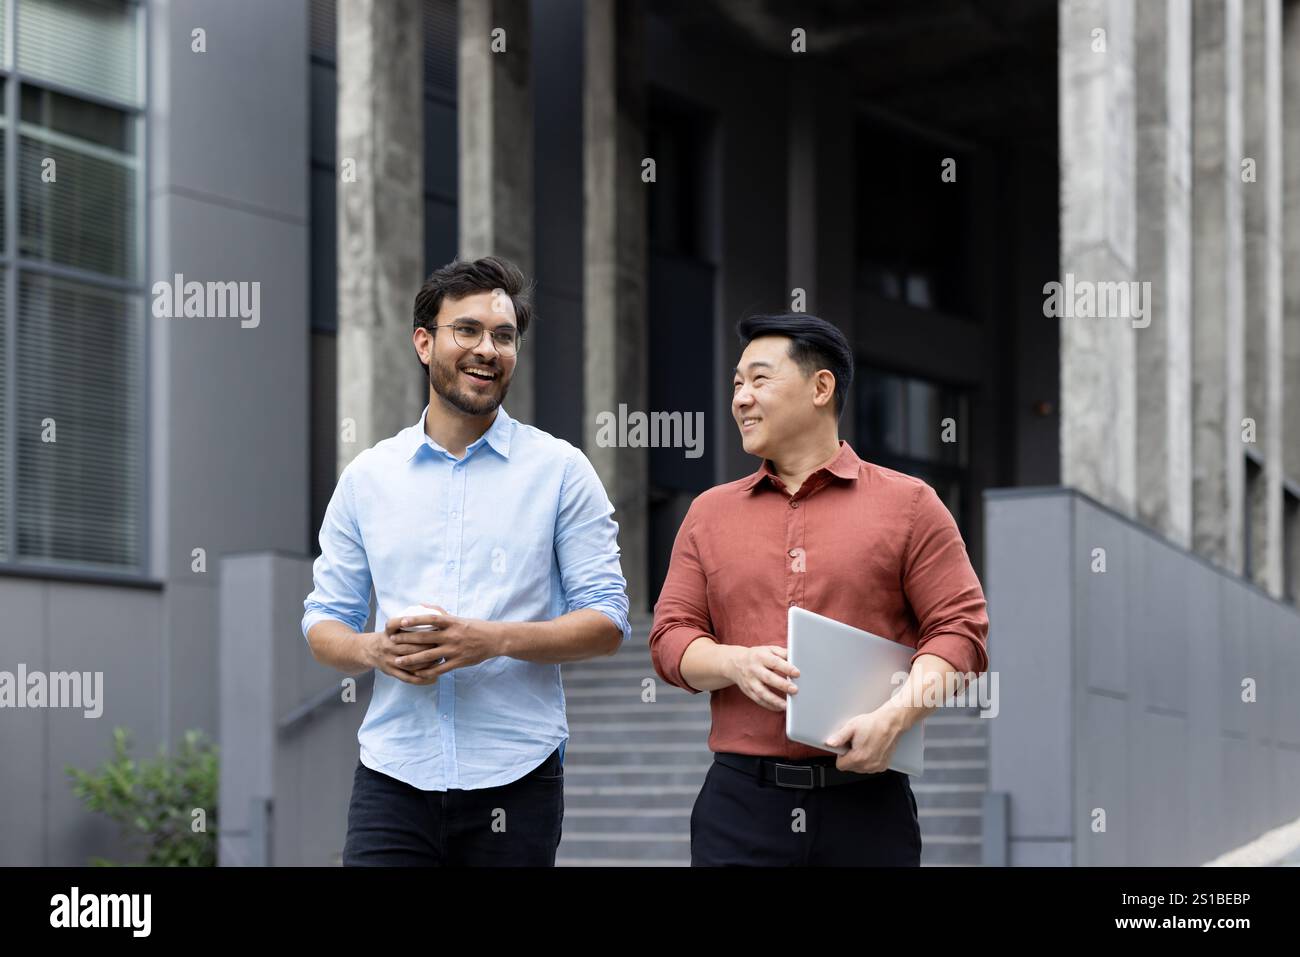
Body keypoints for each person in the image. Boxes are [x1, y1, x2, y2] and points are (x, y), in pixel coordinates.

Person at [303, 256, 631, 866]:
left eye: (503, 336)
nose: (488, 349)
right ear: (425, 342)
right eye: (468, 331)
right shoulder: (368, 478)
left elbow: (608, 620)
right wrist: (375, 650)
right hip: (393, 775)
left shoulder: (561, 473)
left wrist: (493, 639)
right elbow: (324, 622)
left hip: (518, 776)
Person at [649, 313, 989, 866]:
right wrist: (734, 663)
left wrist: (896, 717)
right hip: (739, 809)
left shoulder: (910, 505)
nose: (740, 398)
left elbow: (961, 632)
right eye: (736, 384)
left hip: (867, 808)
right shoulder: (708, 514)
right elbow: (669, 638)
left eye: (759, 380)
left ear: (820, 388)